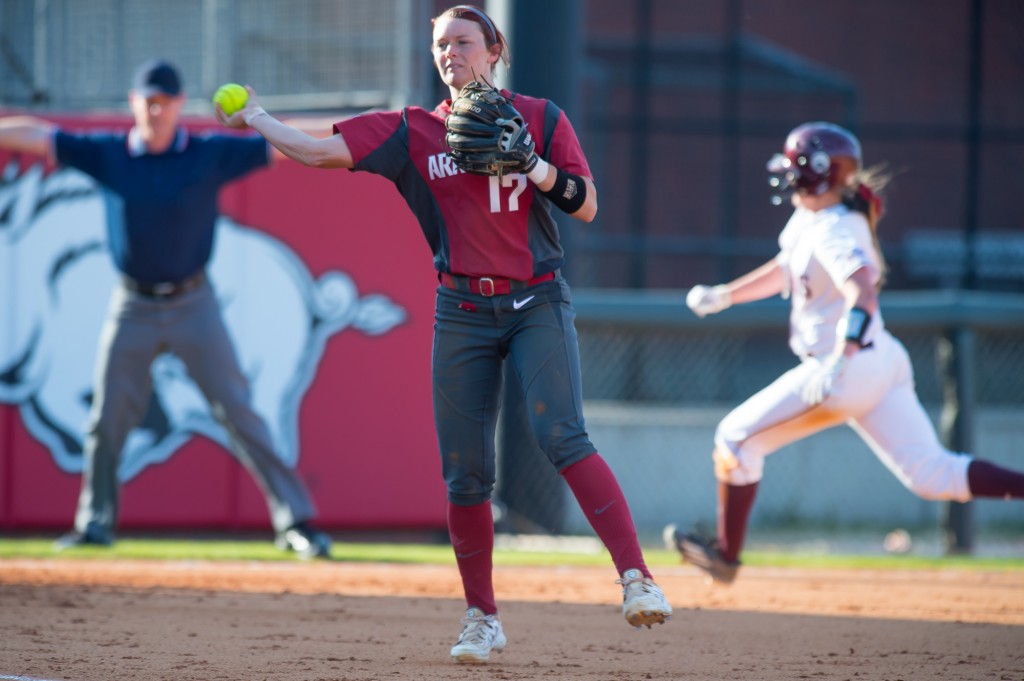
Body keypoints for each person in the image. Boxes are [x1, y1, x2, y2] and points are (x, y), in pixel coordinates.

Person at [215, 4, 672, 664]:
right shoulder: (415, 129)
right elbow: (316, 150)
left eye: (462, 40)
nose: (450, 53)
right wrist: (255, 115)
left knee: (562, 434)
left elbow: (588, 203)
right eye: (440, 45)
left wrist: (534, 164)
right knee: (465, 476)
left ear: (495, 49)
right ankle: (481, 617)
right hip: (460, 309)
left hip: (535, 298)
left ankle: (637, 578)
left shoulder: (540, 117)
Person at [665, 121, 1024, 584]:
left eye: (794, 166)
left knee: (734, 438)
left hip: (844, 367)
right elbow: (786, 268)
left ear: (815, 173)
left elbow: (863, 293)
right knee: (933, 475)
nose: (786, 175)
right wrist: (727, 295)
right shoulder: (812, 218)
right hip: (882, 359)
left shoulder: (834, 228)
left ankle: (726, 557)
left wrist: (841, 357)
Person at [0, 59, 332, 560]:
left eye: (164, 101)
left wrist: (362, 125)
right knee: (106, 418)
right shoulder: (109, 153)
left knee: (241, 412)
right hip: (132, 304)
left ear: (178, 105)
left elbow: (285, 146)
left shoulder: (206, 154)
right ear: (134, 102)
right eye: (147, 100)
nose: (155, 109)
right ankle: (95, 525)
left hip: (195, 303)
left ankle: (297, 523)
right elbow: (39, 135)